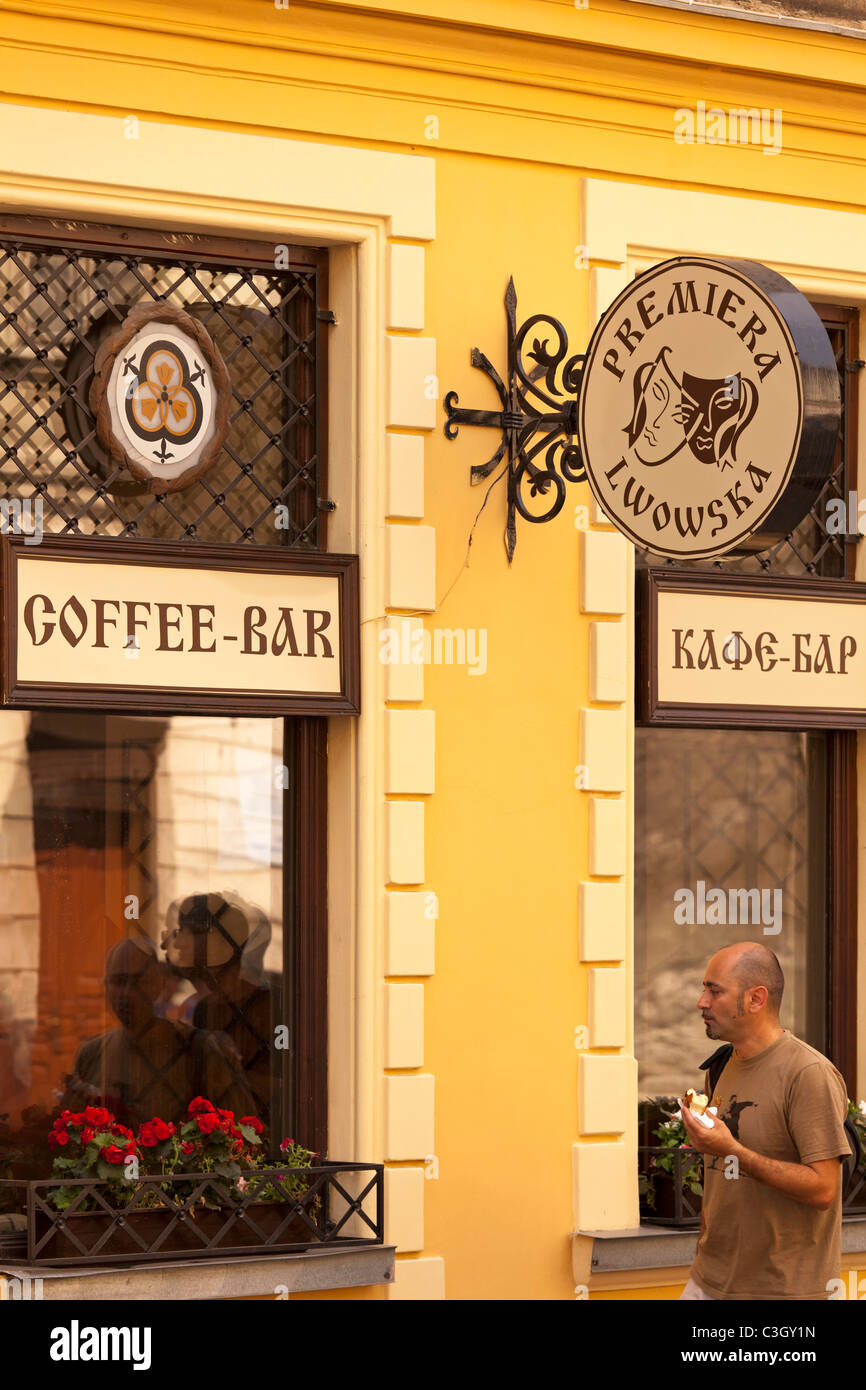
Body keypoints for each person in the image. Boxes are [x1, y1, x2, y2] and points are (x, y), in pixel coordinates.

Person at [679, 941, 850, 1301]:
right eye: (704, 988)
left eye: (715, 990)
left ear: (756, 999)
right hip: (709, 1282)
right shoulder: (722, 1064)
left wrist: (732, 1150)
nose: (702, 1002)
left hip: (784, 1291)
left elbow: (824, 1189)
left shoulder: (808, 1073)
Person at [61, 935, 255, 1128]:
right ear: (106, 986)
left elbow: (241, 1135)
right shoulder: (91, 1054)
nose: (126, 993)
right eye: (118, 981)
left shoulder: (201, 1051)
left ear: (159, 984)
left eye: (138, 981)